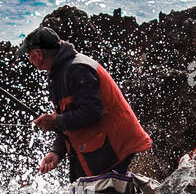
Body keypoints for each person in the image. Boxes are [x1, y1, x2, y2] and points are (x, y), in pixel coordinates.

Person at [22, 27, 152, 179]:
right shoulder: (58, 72)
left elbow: (91, 113)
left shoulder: (78, 69)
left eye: (30, 55)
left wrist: (55, 121)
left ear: (39, 55)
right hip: (96, 146)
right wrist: (56, 151)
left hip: (116, 146)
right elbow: (67, 119)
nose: (30, 60)